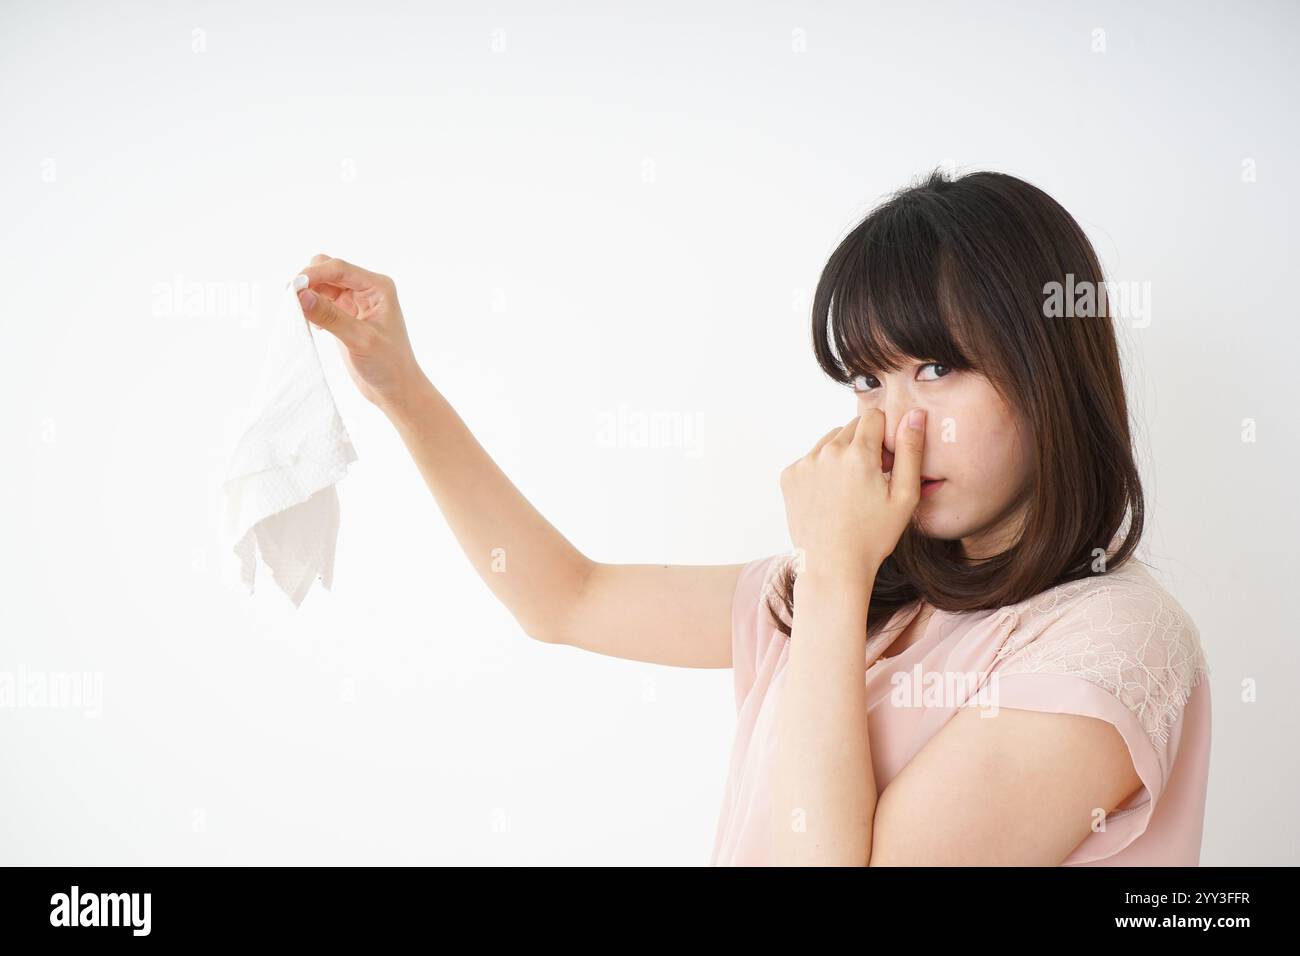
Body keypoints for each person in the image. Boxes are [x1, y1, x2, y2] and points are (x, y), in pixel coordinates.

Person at [289, 167, 1211, 866]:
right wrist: (400, 389)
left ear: (1047, 366)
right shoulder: (849, 595)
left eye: (937, 368)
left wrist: (836, 572)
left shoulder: (1115, 641)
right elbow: (563, 599)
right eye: (866, 378)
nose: (896, 423)